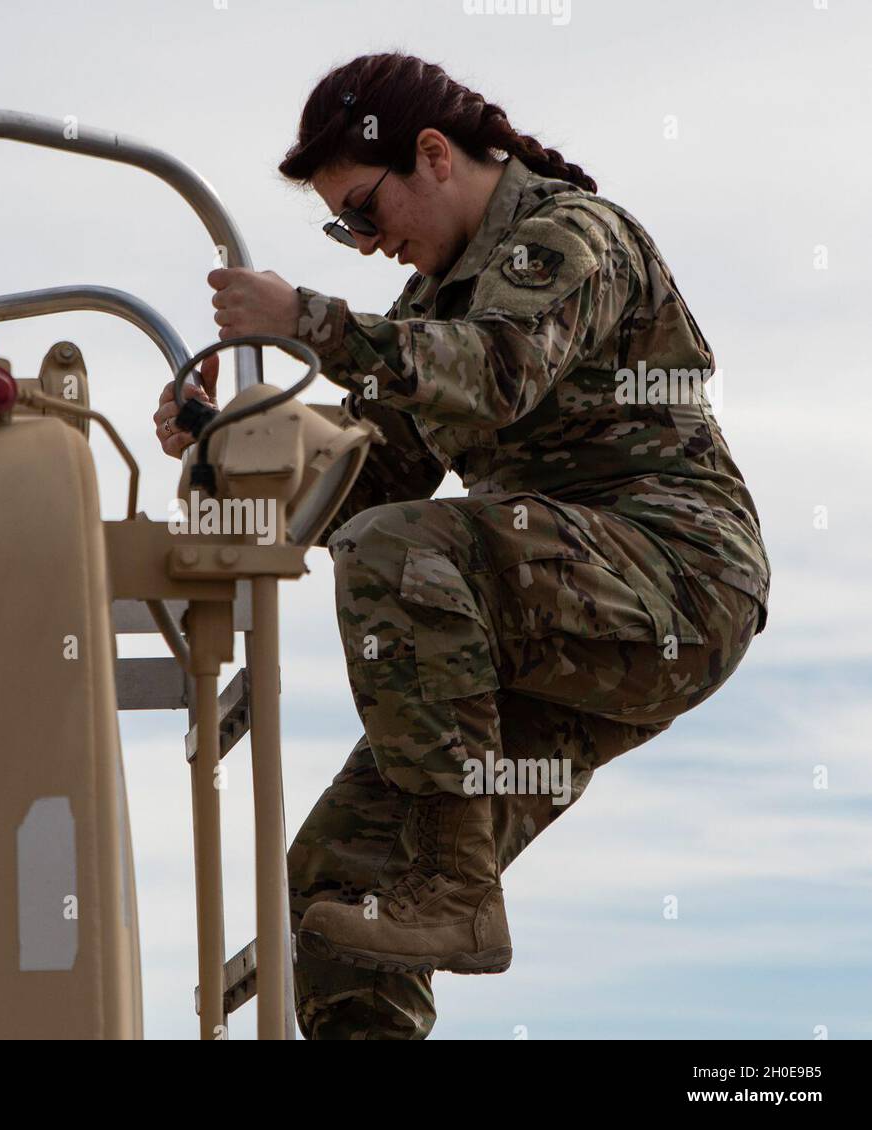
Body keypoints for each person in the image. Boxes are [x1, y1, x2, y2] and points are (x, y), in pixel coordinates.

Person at [153, 51, 769, 1040]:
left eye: (362, 211)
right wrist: (231, 435)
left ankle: (456, 884)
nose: (363, 244)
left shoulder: (570, 236)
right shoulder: (427, 309)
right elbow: (372, 473)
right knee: (340, 887)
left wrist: (303, 318)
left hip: (676, 582)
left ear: (432, 156)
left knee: (396, 551)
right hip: (538, 621)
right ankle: (434, 896)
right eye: (338, 227)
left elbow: (493, 375)